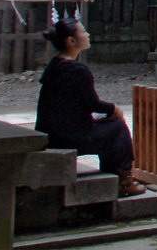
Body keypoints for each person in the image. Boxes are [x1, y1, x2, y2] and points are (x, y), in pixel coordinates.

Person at [36, 17, 144, 196]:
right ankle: (124, 182)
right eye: (83, 32)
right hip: (69, 137)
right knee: (118, 128)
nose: (87, 34)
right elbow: (93, 104)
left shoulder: (55, 66)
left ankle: (115, 177)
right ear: (71, 41)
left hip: (53, 134)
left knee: (107, 125)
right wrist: (114, 108)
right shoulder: (77, 70)